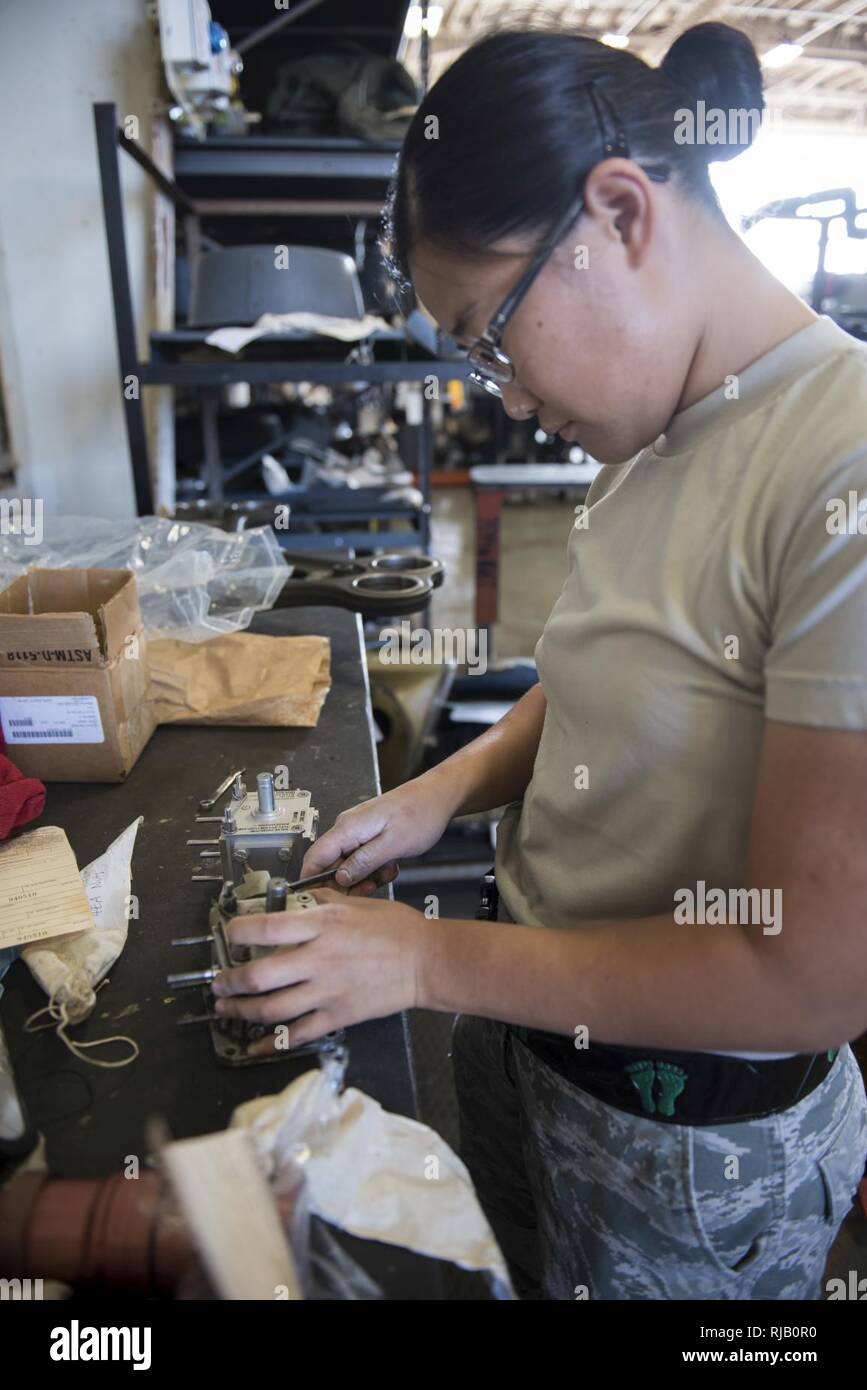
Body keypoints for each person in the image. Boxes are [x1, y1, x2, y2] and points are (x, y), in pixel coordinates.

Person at [210, 23, 867, 1300]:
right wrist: (441, 793)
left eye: (494, 336)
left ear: (618, 212)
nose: (506, 397)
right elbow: (609, 682)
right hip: (532, 1033)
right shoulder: (654, 421)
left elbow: (814, 971)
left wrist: (416, 960)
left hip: (686, 1143)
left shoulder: (841, 467)